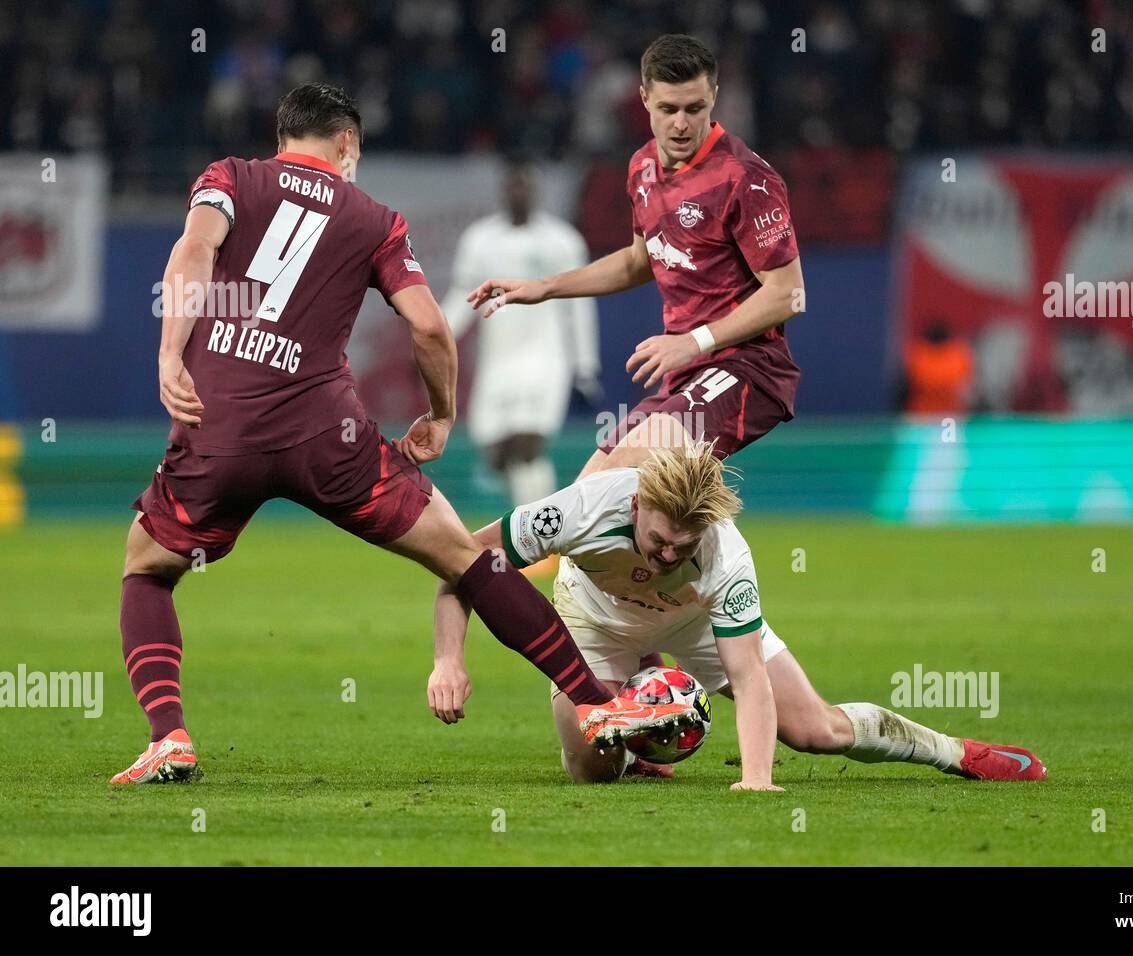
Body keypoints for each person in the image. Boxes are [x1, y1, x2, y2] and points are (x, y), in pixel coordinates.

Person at [113, 83, 699, 784]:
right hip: (326, 437)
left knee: (149, 566)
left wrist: (170, 352)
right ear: (348, 146)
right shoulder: (375, 219)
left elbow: (193, 251)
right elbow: (426, 326)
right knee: (467, 558)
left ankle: (168, 738)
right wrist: (442, 412)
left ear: (282, 138)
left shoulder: (230, 179)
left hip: (221, 423)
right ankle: (595, 703)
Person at [428, 441, 1047, 789]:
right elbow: (462, 567)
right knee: (594, 771)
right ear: (638, 502)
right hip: (595, 622)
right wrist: (449, 660)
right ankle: (645, 698)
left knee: (815, 730)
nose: (670, 555)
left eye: (683, 548)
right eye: (660, 540)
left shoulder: (726, 553)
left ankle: (954, 751)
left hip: (692, 625)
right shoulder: (580, 509)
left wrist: (756, 778)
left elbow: (748, 676)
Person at [465, 34, 805, 479]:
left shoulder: (746, 178)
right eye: (668, 109)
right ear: (644, 99)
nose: (681, 124)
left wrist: (693, 341)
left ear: (714, 97)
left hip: (747, 368)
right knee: (591, 488)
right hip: (685, 375)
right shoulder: (642, 167)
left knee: (624, 472)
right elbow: (636, 262)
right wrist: (544, 287)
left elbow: (788, 294)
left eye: (695, 108)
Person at [441, 160, 601, 506]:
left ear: (536, 191)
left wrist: (585, 365)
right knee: (497, 453)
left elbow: (579, 306)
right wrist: (437, 338)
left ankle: (540, 529)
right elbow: (463, 295)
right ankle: (534, 517)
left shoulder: (562, 241)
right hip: (497, 359)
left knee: (527, 445)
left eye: (526, 185)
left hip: (545, 356)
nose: (519, 192)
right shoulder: (480, 239)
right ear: (504, 190)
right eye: (513, 185)